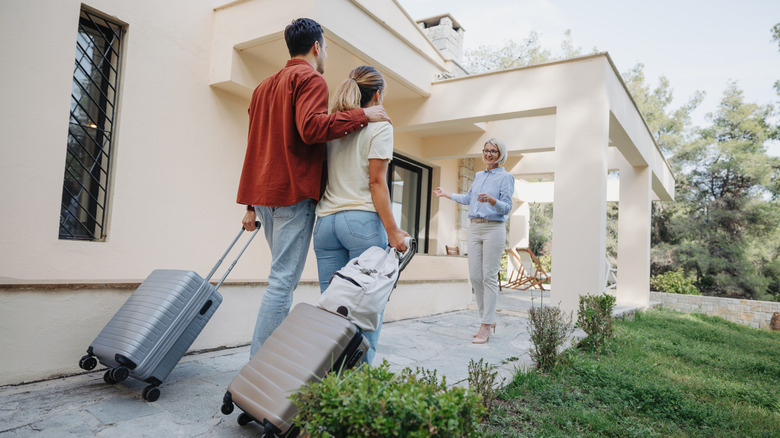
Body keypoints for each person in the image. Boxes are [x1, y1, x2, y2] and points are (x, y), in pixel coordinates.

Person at [236, 18, 391, 358]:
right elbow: (310, 129)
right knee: (282, 282)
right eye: (327, 47)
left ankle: (264, 360)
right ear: (317, 46)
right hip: (291, 194)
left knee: (278, 277)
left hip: (264, 196)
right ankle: (259, 363)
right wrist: (364, 116)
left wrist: (249, 203)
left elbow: (256, 144)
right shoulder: (310, 78)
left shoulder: (263, 87)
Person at [313, 65, 409, 365]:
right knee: (367, 309)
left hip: (326, 224)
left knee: (332, 312)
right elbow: (376, 182)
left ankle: (330, 386)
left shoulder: (333, 125)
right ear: (377, 94)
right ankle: (361, 391)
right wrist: (393, 230)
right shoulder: (380, 125)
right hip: (361, 224)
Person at [433, 138, 515, 344]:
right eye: (486, 150)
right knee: (475, 277)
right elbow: (469, 198)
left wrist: (492, 200)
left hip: (493, 228)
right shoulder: (479, 175)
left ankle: (486, 325)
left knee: (488, 276)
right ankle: (487, 319)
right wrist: (446, 194)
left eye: (493, 151)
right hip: (475, 228)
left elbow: (506, 207)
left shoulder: (506, 177)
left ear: (500, 154)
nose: (488, 154)